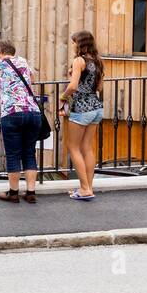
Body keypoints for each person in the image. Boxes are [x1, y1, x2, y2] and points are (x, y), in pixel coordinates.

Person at [0, 38, 44, 204]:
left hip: (11, 113)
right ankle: (31, 192)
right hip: (33, 112)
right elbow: (32, 79)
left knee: (13, 154)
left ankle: (13, 193)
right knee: (29, 153)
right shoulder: (23, 61)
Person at [60, 30, 104, 201]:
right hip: (96, 108)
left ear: (80, 44)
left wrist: (63, 97)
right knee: (87, 148)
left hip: (81, 108)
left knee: (73, 147)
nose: (72, 45)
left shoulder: (79, 60)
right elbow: (99, 87)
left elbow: (72, 86)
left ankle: (84, 188)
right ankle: (88, 187)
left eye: (73, 42)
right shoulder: (98, 61)